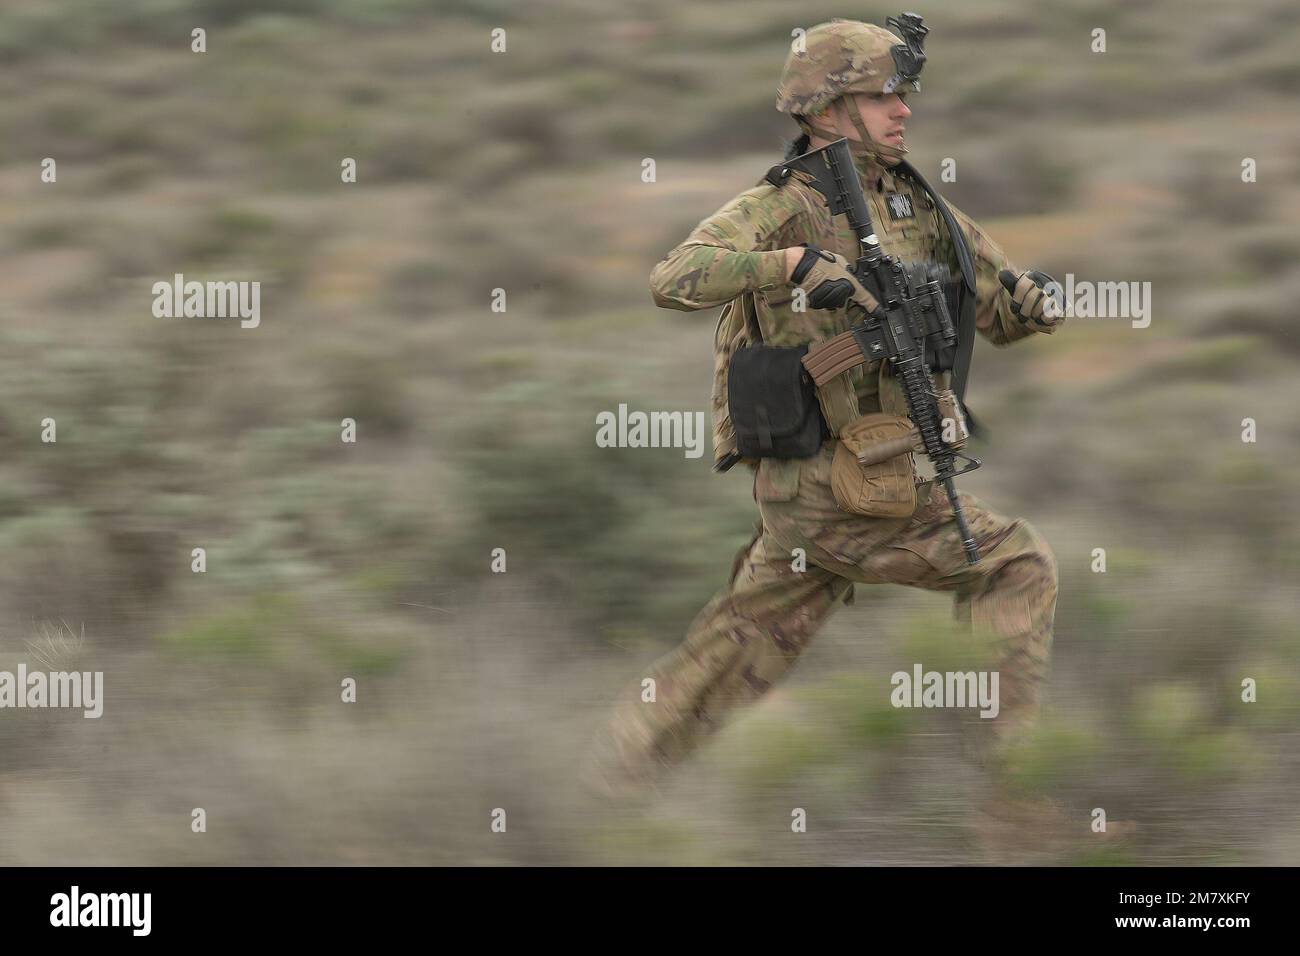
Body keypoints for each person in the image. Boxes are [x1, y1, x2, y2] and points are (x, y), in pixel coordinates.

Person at [588, 17, 1067, 824]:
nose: (903, 109)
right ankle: (1010, 811)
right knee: (1017, 566)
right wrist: (789, 265)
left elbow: (997, 306)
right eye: (883, 94)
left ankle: (606, 794)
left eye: (903, 92)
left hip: (857, 480)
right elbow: (676, 276)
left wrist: (1032, 303)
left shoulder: (916, 203)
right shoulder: (787, 204)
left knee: (741, 647)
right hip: (833, 484)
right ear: (829, 108)